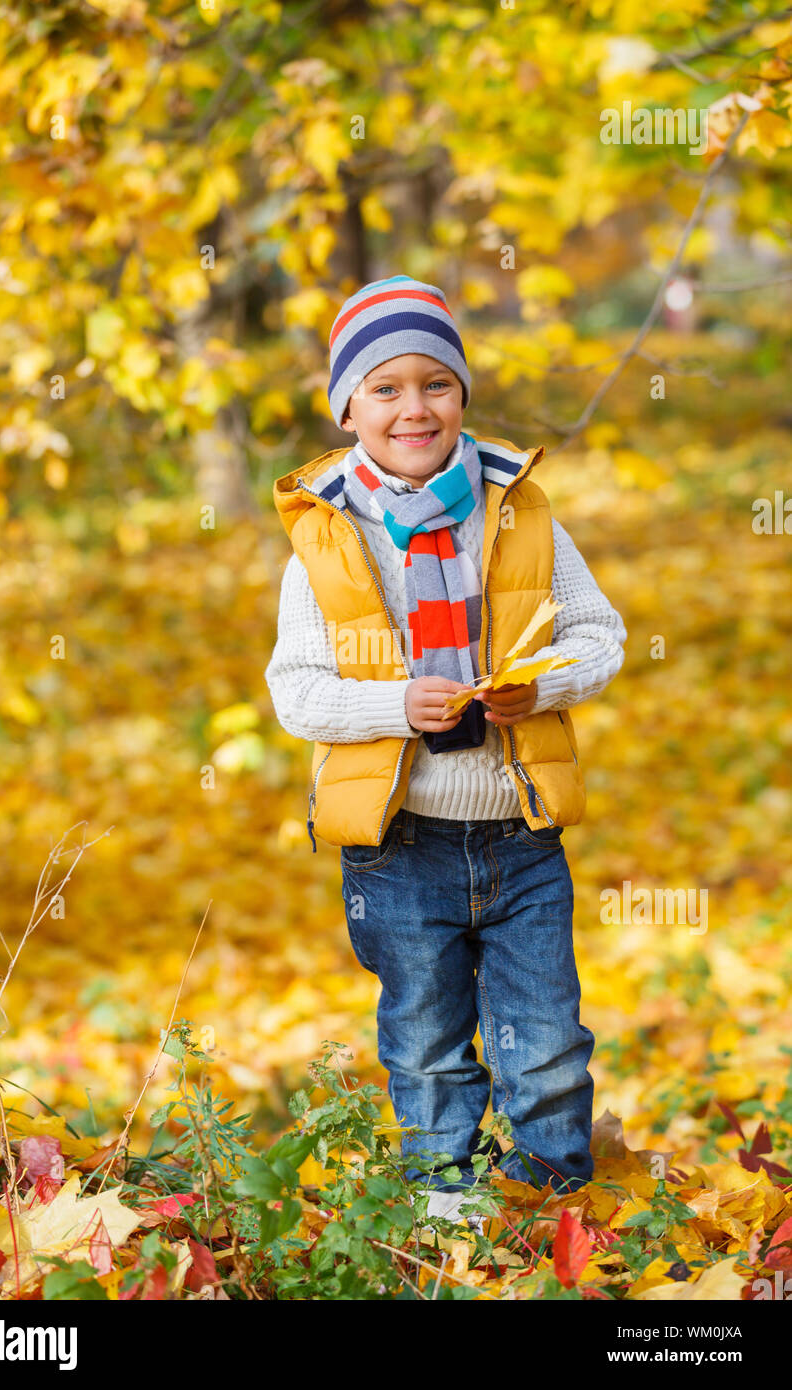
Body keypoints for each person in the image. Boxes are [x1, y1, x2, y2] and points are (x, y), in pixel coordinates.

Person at [264, 275, 627, 1215]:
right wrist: (396, 705)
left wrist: (538, 684)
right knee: (425, 1041)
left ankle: (552, 1213)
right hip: (401, 845)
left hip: (520, 833)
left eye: (436, 383)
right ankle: (448, 1216)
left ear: (462, 393)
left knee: (545, 1040)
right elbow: (297, 692)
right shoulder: (329, 539)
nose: (413, 407)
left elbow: (600, 635)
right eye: (384, 389)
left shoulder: (519, 511)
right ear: (346, 407)